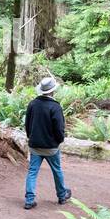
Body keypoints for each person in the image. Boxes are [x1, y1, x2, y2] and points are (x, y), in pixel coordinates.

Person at [23, 76, 71, 210]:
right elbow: (59, 128)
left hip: (35, 146)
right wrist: (58, 141)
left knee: (32, 172)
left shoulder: (32, 104)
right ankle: (62, 196)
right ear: (53, 91)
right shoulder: (55, 107)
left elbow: (27, 124)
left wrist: (30, 137)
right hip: (51, 147)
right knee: (57, 170)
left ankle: (29, 200)